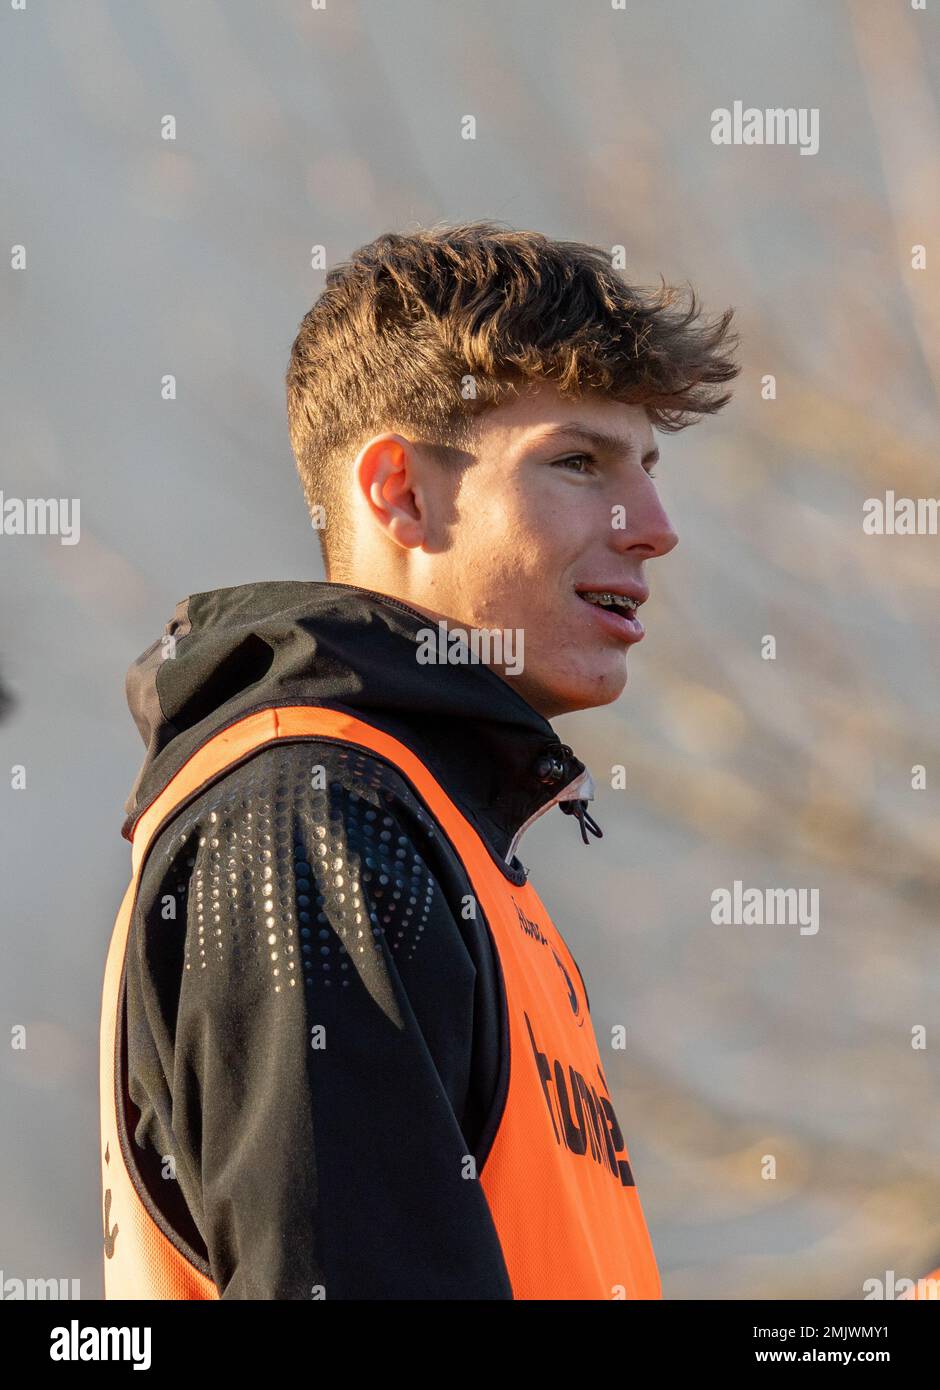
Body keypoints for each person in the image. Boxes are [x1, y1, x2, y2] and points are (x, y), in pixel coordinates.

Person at [99, 221, 739, 1299]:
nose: (653, 526)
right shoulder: (308, 818)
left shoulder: (427, 831)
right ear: (399, 491)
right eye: (580, 462)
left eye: (649, 469)